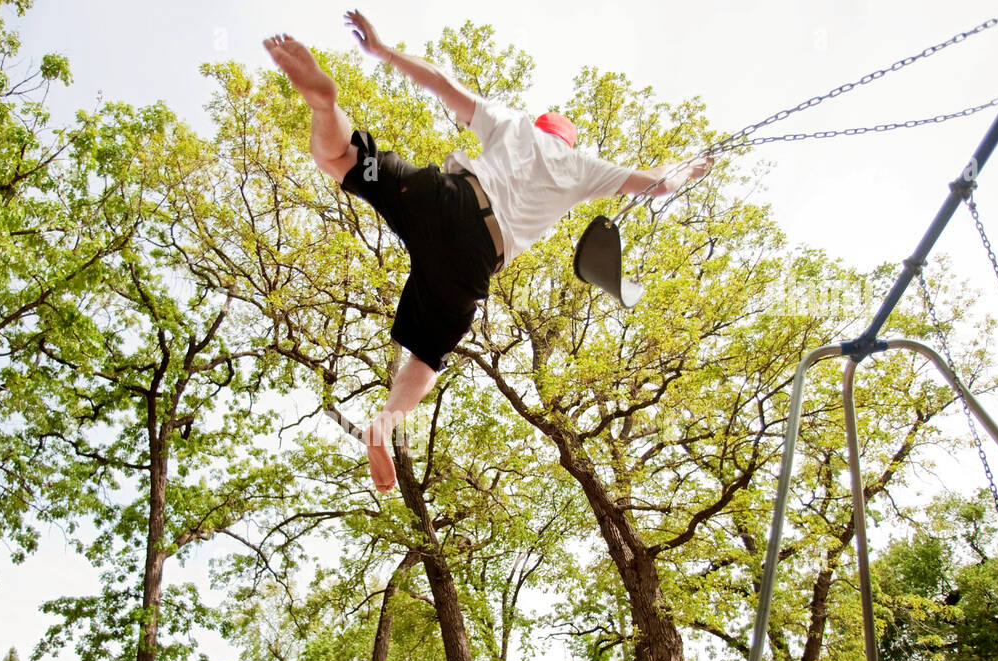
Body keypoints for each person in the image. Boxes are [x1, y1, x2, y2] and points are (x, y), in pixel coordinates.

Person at [263, 10, 711, 493]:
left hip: (438, 199)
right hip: (471, 262)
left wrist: (382, 50)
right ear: (569, 140)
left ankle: (325, 107)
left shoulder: (513, 124)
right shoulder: (583, 167)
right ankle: (384, 426)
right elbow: (658, 184)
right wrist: (691, 167)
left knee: (343, 158)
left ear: (541, 126)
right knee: (427, 355)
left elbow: (442, 83)